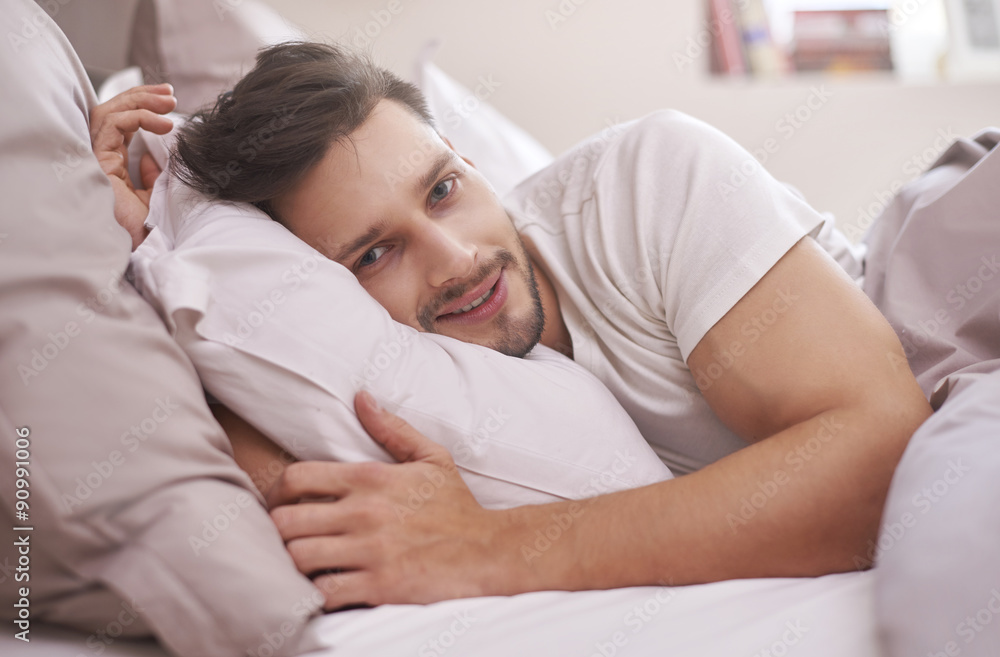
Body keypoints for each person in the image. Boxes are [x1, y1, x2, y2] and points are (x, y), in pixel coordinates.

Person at [92, 42, 932, 611]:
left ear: (465, 155)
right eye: (376, 253)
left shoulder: (651, 183)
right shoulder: (388, 376)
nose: (457, 259)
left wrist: (492, 547)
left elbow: (886, 459)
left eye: (444, 189)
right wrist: (127, 249)